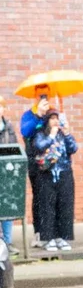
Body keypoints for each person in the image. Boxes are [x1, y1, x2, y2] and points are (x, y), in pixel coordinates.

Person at [32, 108, 77, 253]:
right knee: (47, 206)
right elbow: (38, 146)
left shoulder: (63, 135)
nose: (55, 121)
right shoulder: (41, 134)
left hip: (64, 173)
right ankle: (48, 238)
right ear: (47, 121)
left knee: (64, 206)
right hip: (47, 174)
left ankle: (61, 237)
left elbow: (73, 148)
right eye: (52, 118)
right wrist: (51, 137)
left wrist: (68, 133)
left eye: (57, 118)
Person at [20, 92, 49, 247]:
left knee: (51, 198)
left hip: (52, 162)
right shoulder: (28, 115)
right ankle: (38, 233)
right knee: (38, 198)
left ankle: (51, 233)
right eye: (40, 96)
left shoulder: (52, 114)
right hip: (34, 162)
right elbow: (25, 132)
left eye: (46, 96)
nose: (43, 99)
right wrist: (38, 115)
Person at [0, 104, 18, 248]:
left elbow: (14, 148)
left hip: (6, 171)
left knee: (7, 207)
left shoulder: (8, 127)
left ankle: (7, 241)